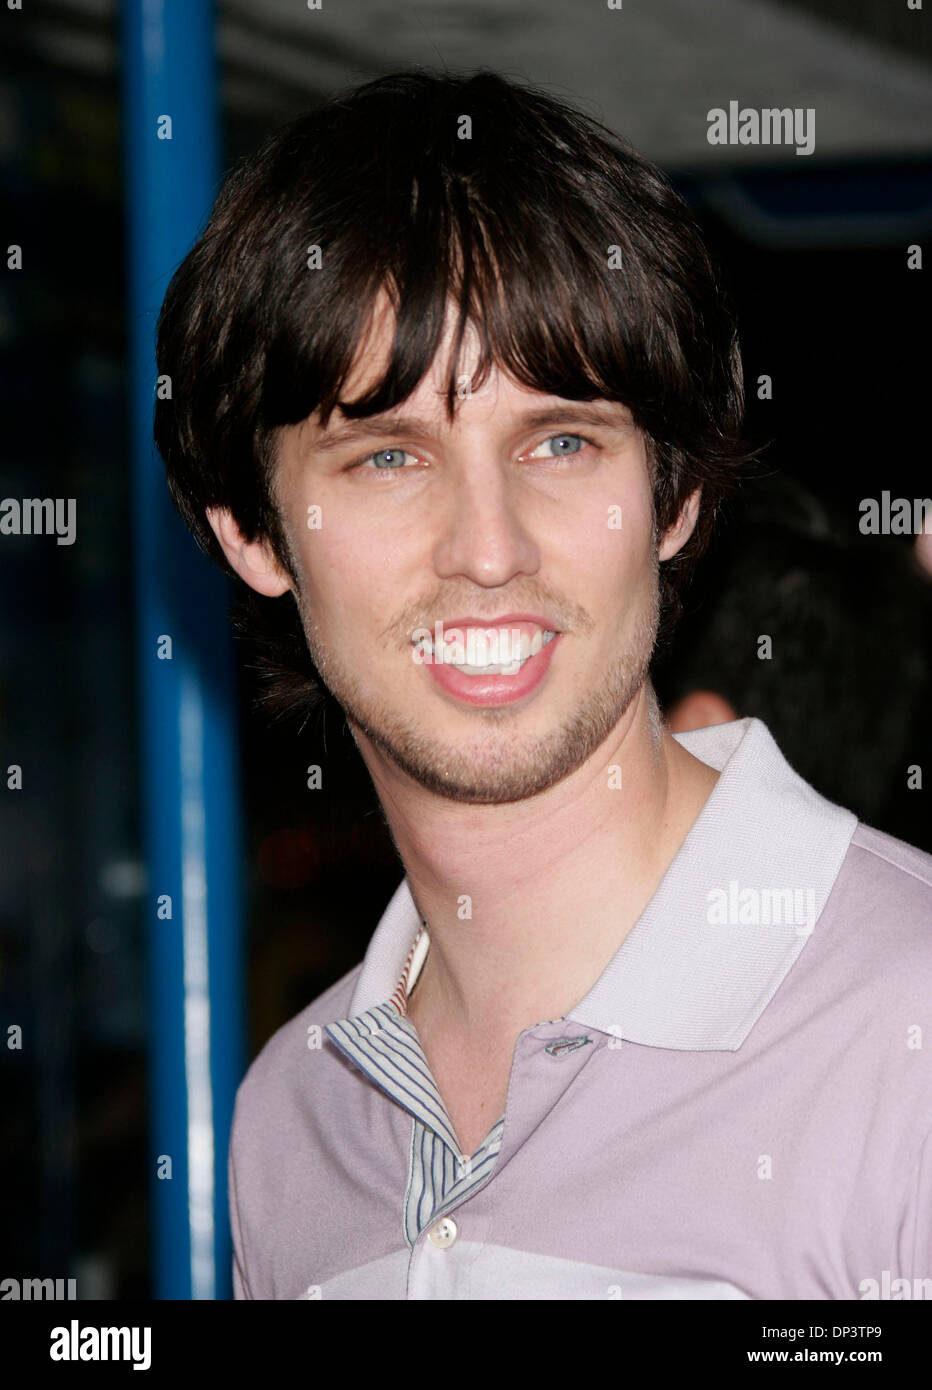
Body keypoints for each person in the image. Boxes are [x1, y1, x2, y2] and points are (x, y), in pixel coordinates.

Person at [155, 70, 932, 1300]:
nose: (487, 546)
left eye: (560, 441)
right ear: (255, 533)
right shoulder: (290, 1115)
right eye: (388, 455)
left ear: (676, 496)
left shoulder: (907, 1037)